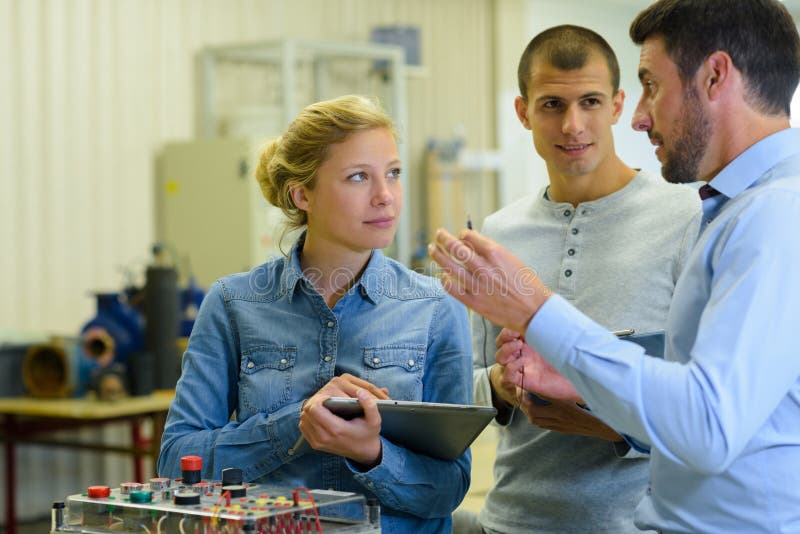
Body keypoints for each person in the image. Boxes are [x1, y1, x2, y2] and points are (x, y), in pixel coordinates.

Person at [432, 1, 800, 532]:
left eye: (651, 86)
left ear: (715, 75)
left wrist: (543, 318)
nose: (639, 117)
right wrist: (517, 381)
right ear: (524, 111)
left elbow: (707, 424)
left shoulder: (770, 212)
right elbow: (718, 413)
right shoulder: (738, 210)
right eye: (552, 104)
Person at [158, 95, 473, 533]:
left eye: (393, 173)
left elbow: (450, 487)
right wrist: (296, 425)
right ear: (302, 194)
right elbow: (177, 462)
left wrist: (372, 454)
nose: (385, 196)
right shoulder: (233, 303)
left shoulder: (436, 308)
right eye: (359, 177)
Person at [452, 25, 700, 534]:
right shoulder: (499, 233)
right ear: (523, 112)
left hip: (639, 525)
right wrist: (501, 385)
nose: (572, 125)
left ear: (617, 105)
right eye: (552, 105)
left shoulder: (688, 219)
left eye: (590, 102)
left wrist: (602, 413)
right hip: (511, 522)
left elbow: (706, 407)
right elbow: (466, 387)